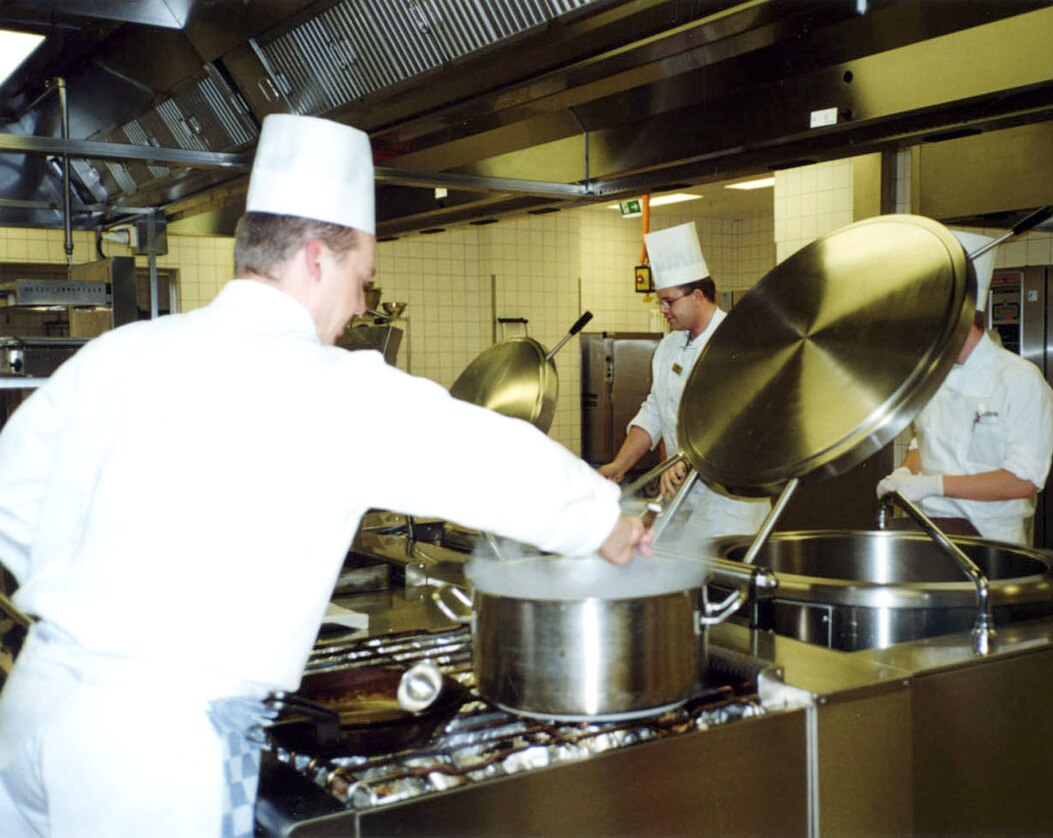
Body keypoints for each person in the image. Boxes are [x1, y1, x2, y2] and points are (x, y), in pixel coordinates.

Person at [0, 114, 651, 837]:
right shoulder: (326, 385)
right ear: (316, 259)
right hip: (154, 750)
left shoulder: (121, 354)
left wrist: (90, 604)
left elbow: (12, 494)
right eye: (361, 279)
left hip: (36, 703)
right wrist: (605, 522)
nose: (359, 307)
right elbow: (481, 455)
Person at [876, 230, 1053, 546]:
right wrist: (905, 473)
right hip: (928, 528)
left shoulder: (1019, 379)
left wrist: (935, 485)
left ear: (958, 319)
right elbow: (925, 445)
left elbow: (1022, 481)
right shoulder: (933, 377)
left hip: (991, 539)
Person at [599, 222, 769, 540]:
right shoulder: (669, 346)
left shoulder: (737, 344)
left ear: (697, 295)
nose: (663, 310)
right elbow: (654, 411)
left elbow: (743, 420)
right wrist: (620, 464)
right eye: (660, 301)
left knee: (719, 581)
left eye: (669, 301)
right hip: (680, 493)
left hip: (730, 502)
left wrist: (689, 459)